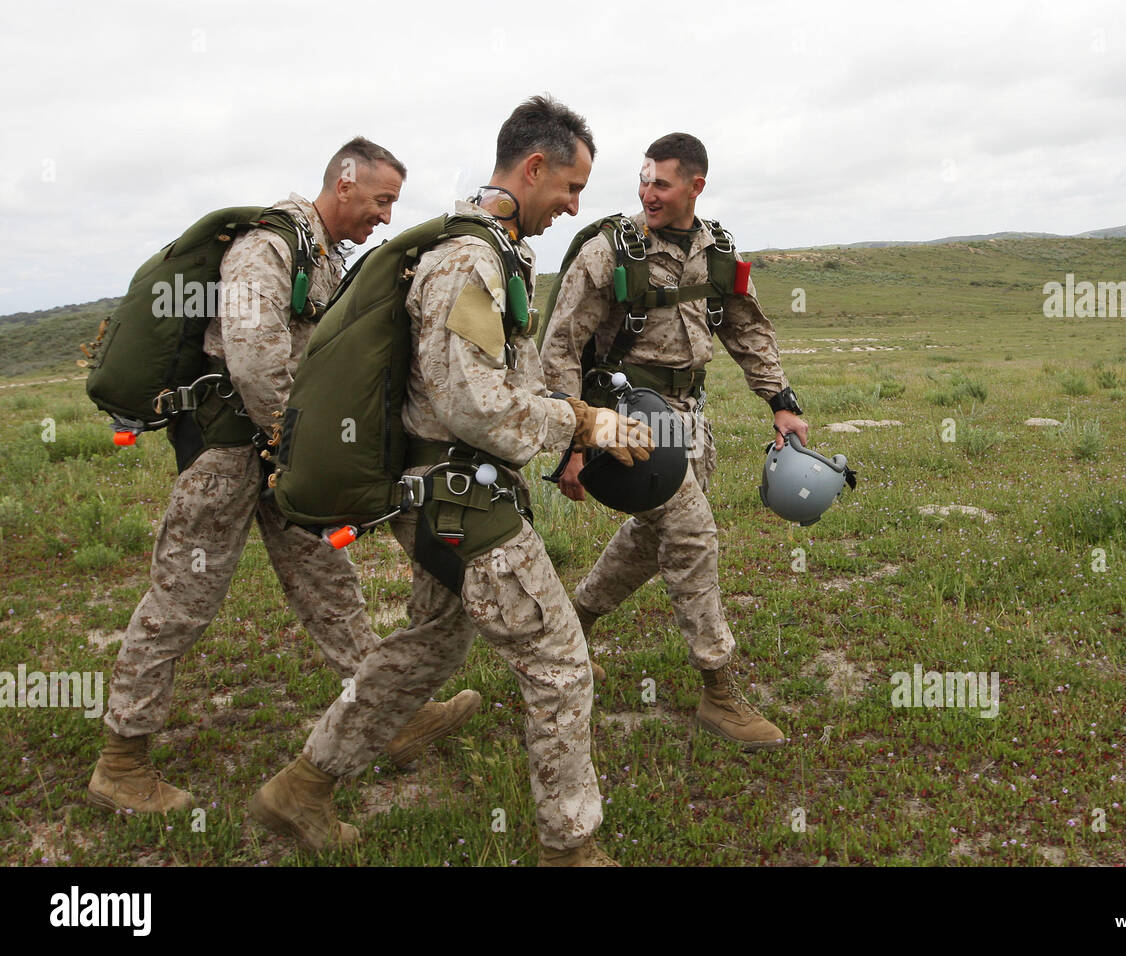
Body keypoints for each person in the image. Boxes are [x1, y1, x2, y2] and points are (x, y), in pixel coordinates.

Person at [248, 96, 652, 866]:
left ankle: (300, 788)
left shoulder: (491, 251)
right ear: (533, 167)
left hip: (450, 496)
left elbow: (493, 384)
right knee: (561, 661)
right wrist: (583, 423)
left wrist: (572, 415)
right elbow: (473, 404)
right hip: (456, 499)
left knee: (430, 642)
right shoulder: (469, 261)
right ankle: (571, 849)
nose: (574, 208)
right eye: (571, 188)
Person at [89, 138, 480, 815]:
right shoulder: (268, 244)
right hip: (229, 453)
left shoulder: (320, 255)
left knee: (329, 585)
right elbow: (251, 353)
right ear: (346, 182)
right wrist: (301, 441)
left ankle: (388, 715)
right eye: (382, 200)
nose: (385, 217)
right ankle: (120, 760)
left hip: (277, 455)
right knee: (182, 599)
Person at [540, 132, 810, 751]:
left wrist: (782, 402)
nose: (647, 193)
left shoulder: (717, 252)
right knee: (692, 534)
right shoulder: (611, 249)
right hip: (626, 420)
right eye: (643, 181)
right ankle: (718, 689)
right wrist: (572, 439)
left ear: (695, 186)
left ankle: (572, 627)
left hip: (688, 418)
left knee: (649, 535)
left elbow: (746, 328)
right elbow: (560, 343)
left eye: (661, 183)